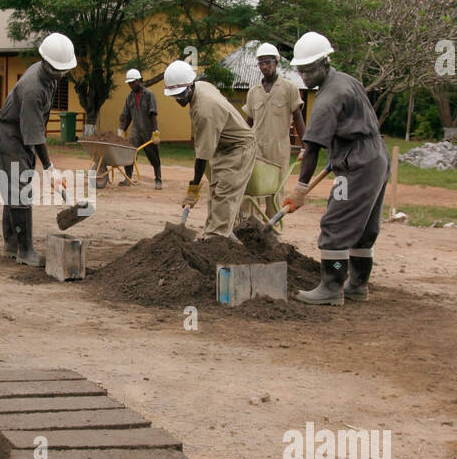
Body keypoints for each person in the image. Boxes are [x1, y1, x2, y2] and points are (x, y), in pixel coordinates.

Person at [283, 31, 390, 306]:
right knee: (365, 228)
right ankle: (357, 286)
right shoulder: (347, 81)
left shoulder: (327, 98)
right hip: (375, 155)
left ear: (324, 63)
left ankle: (331, 287)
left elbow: (312, 150)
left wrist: (300, 188)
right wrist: (342, 149)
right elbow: (357, 122)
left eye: (309, 70)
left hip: (357, 164)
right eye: (301, 71)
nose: (305, 77)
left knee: (336, 223)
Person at [0, 32, 76, 265]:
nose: (62, 73)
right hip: (10, 137)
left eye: (63, 70)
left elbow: (36, 128)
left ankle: (12, 244)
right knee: (18, 191)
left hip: (19, 135)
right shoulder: (34, 89)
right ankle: (25, 251)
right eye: (59, 69)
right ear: (47, 63)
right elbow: (35, 134)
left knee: (13, 188)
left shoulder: (49, 76)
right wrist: (49, 167)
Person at [163, 59, 257, 239]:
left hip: (239, 148)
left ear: (190, 86)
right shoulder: (201, 86)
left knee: (224, 195)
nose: (178, 100)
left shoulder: (205, 110)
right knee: (215, 194)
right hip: (223, 145)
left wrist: (194, 188)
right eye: (174, 96)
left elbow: (202, 157)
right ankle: (214, 234)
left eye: (181, 95)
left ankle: (217, 239)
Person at [243, 43, 305, 220]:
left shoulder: (289, 88)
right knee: (251, 189)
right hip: (256, 148)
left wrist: (305, 147)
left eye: (268, 62)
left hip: (278, 149)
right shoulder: (253, 92)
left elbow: (298, 118)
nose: (264, 66)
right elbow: (249, 123)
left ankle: (271, 230)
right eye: (260, 63)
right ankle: (249, 225)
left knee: (275, 191)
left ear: (276, 62)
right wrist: (241, 144)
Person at [117, 69, 162, 188]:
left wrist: (155, 131)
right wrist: (123, 130)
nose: (131, 85)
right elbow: (127, 116)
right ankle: (128, 178)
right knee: (129, 152)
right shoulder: (129, 97)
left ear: (139, 81)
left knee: (153, 154)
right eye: (129, 83)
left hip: (148, 129)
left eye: (133, 82)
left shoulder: (149, 95)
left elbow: (153, 113)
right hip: (135, 129)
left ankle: (158, 179)